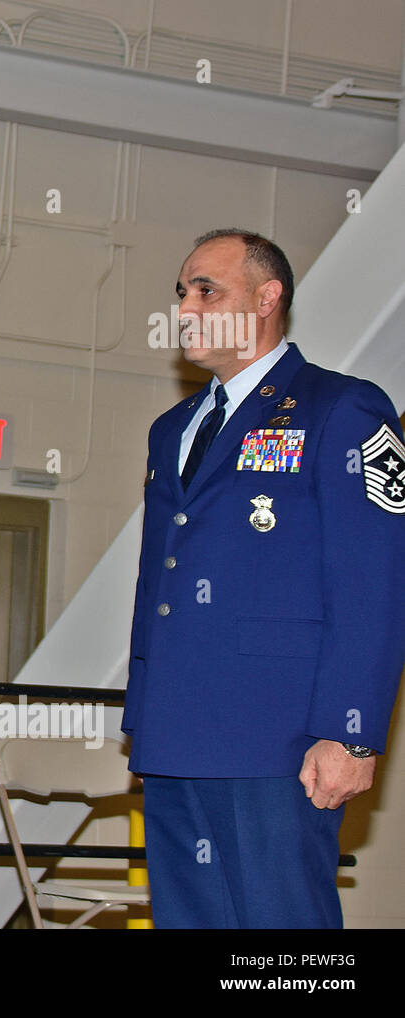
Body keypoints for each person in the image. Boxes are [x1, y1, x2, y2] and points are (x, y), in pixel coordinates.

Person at [123, 228, 405, 928]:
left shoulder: (341, 409)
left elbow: (373, 585)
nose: (186, 307)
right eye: (182, 292)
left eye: (206, 289)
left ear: (267, 296)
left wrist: (353, 734)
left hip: (278, 738)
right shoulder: (174, 428)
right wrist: (144, 715)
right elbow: (159, 581)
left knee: (281, 935)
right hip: (176, 731)